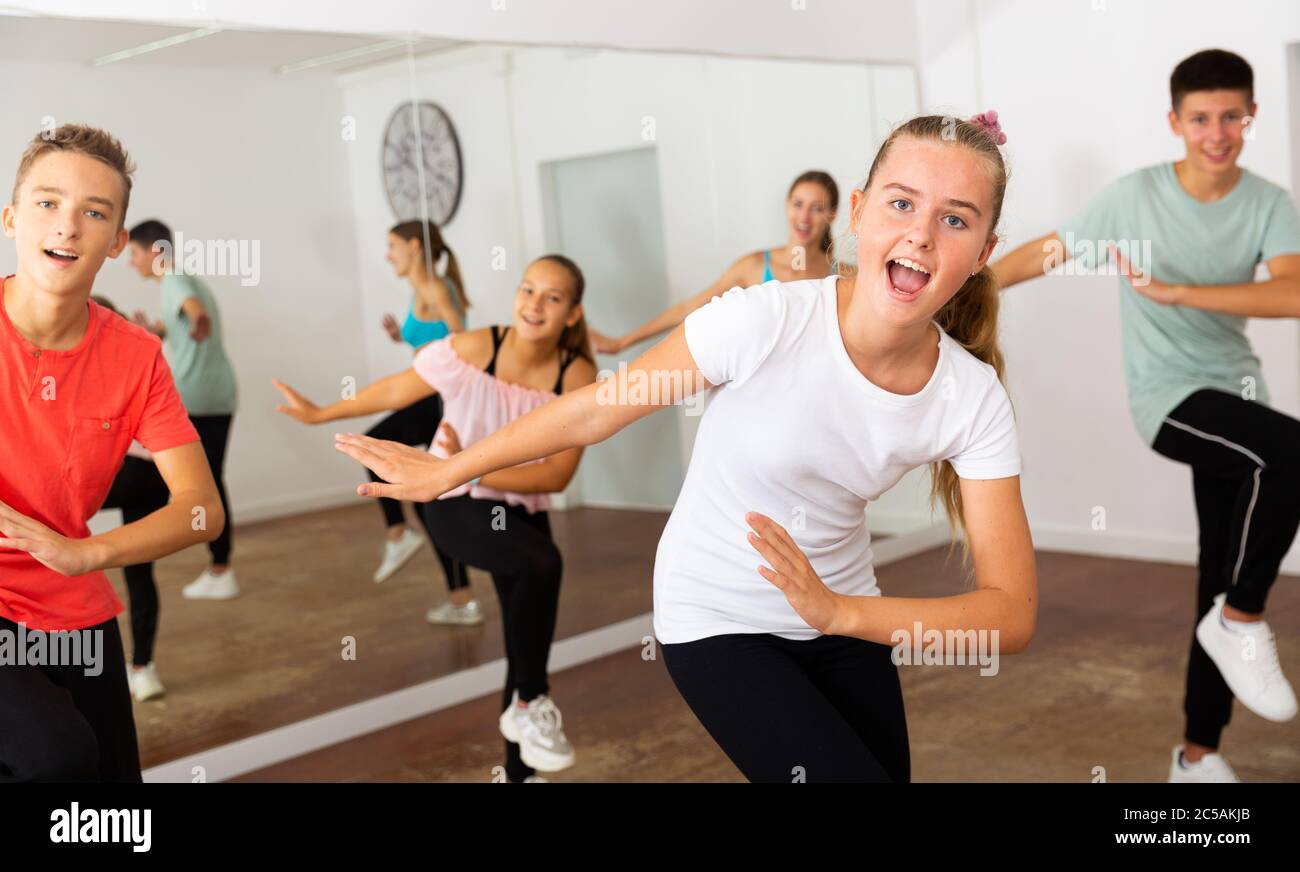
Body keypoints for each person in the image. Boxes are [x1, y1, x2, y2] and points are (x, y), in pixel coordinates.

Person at [334, 114, 1038, 783]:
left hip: (840, 609)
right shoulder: (765, 322)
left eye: (954, 219)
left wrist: (842, 614)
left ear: (982, 254)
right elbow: (595, 411)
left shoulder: (970, 396)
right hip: (717, 614)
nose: (920, 236)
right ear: (857, 212)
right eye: (901, 204)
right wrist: (451, 470)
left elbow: (1010, 614)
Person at [991, 49, 1300, 783]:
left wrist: (1176, 293)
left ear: (1251, 117)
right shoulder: (1134, 198)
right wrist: (962, 290)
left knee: (1216, 571)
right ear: (1175, 122)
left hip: (1235, 391)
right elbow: (1050, 251)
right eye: (1201, 118)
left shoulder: (1268, 203)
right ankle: (1243, 619)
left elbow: (1293, 293)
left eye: (1232, 116)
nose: (1217, 132)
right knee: (1291, 455)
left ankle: (1197, 755)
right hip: (1168, 399)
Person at [274, 255, 598, 782]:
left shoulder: (576, 373)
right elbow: (397, 389)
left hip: (516, 509)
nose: (534, 305)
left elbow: (556, 477)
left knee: (526, 637)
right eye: (527, 289)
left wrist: (469, 462)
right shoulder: (475, 348)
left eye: (552, 297)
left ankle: (521, 768)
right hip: (453, 500)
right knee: (544, 565)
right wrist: (321, 413)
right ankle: (532, 703)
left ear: (573, 314)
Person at [0, 123, 224, 781]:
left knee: (112, 797)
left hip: (69, 593)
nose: (67, 226)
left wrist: (89, 552)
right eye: (47, 202)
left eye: (93, 212)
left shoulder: (135, 357)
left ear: (117, 241)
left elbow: (200, 511)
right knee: (54, 754)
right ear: (11, 217)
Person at [589, 170, 840, 355]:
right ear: (786, 206)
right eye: (798, 204)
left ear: (832, 214)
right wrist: (621, 343)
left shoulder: (844, 275)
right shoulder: (753, 266)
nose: (804, 217)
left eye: (817, 208)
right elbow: (689, 308)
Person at [368, 221, 476, 625]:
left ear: (415, 246)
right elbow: (435, 339)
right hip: (430, 396)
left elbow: (462, 339)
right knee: (434, 506)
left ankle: (398, 534)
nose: (387, 254)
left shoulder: (433, 287)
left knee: (374, 444)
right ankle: (461, 597)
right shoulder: (423, 289)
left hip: (436, 399)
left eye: (392, 245)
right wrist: (403, 338)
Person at [127, 219, 240, 601]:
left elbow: (194, 312)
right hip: (215, 393)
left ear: (154, 251)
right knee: (210, 481)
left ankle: (220, 569)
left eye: (135, 253)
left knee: (204, 485)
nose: (132, 262)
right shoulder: (184, 278)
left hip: (199, 397)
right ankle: (219, 566)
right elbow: (187, 317)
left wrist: (200, 321)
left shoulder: (174, 280)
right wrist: (160, 331)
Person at [91, 295, 171, 702]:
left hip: (128, 472)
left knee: (50, 530)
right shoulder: (139, 355)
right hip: (157, 474)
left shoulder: (90, 363)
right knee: (140, 572)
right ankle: (144, 669)